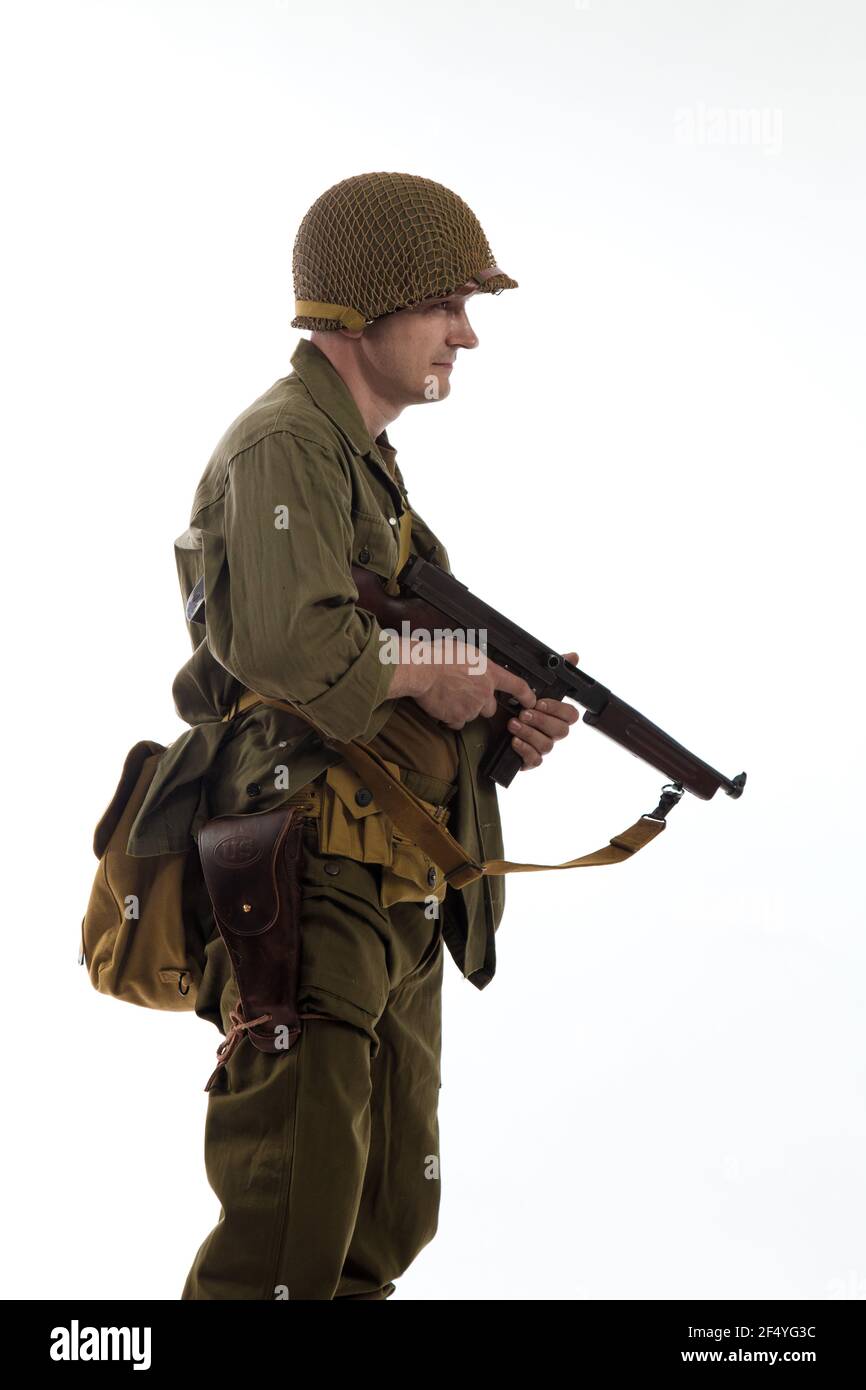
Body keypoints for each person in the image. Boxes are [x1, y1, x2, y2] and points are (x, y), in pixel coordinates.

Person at [127, 171, 579, 1299]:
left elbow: (386, 688)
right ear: (363, 305)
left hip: (392, 883)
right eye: (444, 305)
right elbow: (285, 645)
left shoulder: (368, 472)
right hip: (310, 873)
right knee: (289, 1227)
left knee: (380, 1218)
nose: (463, 336)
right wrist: (437, 672)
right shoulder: (283, 446)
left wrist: (496, 728)